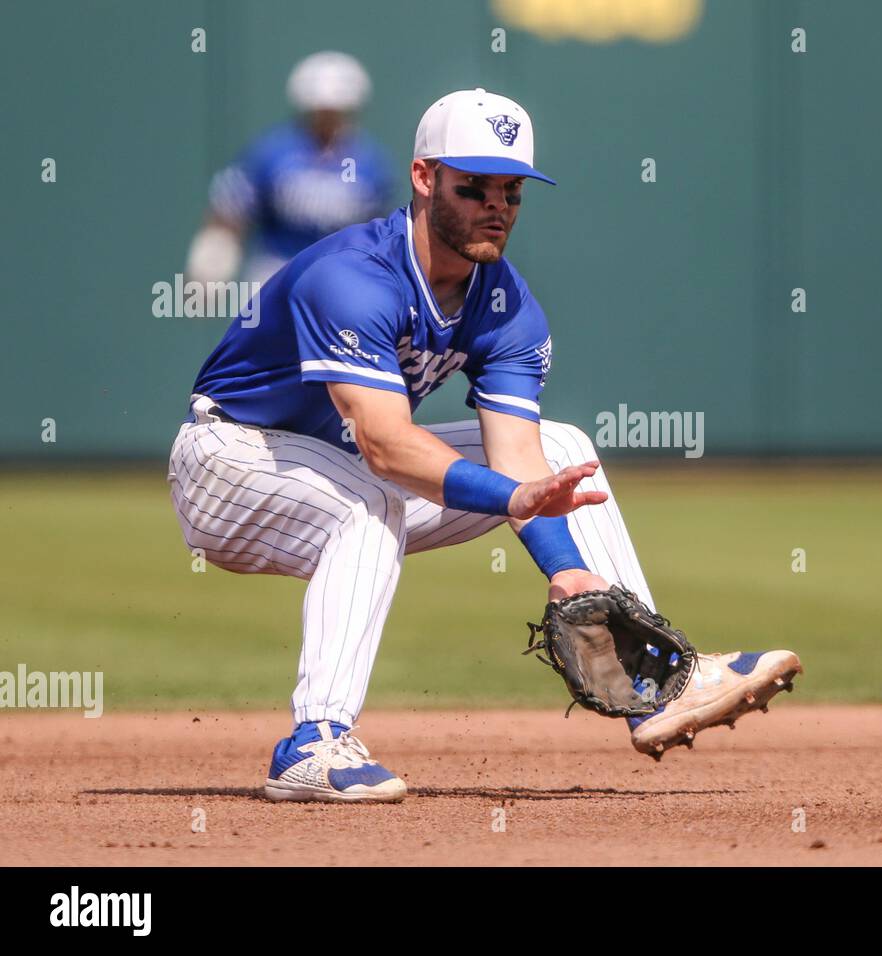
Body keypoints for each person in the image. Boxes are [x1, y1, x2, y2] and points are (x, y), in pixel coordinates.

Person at [167, 88, 800, 803]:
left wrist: (564, 568)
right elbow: (384, 445)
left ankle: (657, 681)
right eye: (473, 188)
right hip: (231, 461)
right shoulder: (349, 275)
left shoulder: (505, 302)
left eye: (511, 191)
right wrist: (511, 497)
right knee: (370, 499)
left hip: (333, 467)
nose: (495, 206)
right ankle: (312, 744)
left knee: (560, 446)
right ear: (424, 177)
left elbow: (524, 462)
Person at [185, 51, 392, 286]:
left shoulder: (370, 163)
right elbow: (231, 210)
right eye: (321, 111)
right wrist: (213, 257)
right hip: (275, 268)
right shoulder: (273, 152)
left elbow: (376, 230)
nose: (328, 120)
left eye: (336, 112)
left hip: (337, 273)